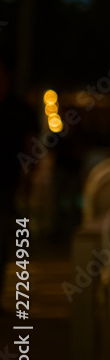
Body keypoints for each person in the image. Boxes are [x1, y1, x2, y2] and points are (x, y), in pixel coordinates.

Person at [0, 57, 38, 308]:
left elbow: (30, 145)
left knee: (2, 240)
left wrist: (28, 176)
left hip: (7, 183)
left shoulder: (19, 110)